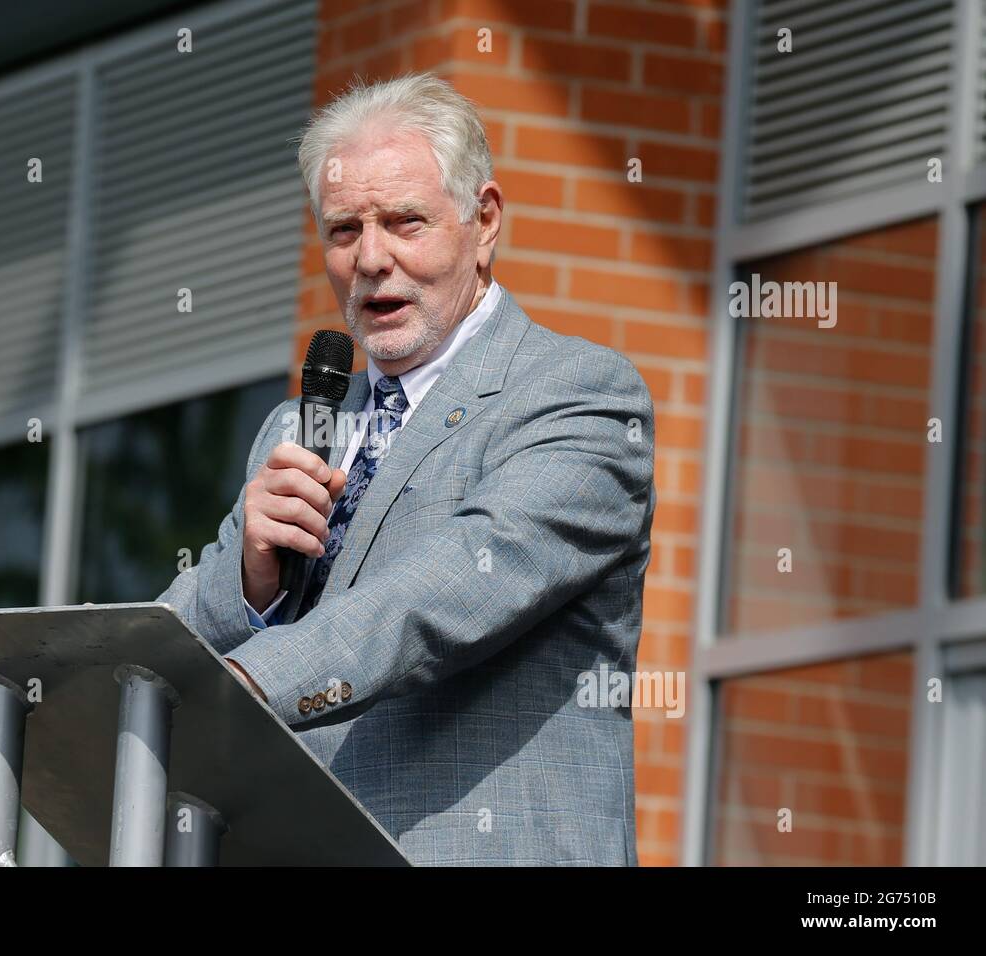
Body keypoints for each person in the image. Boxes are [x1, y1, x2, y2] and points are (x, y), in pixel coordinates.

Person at [156, 72, 655, 865]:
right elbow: (180, 623)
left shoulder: (578, 395)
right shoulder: (301, 424)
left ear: (483, 221)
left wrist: (249, 685)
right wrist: (252, 580)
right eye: (345, 229)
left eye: (404, 222)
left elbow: (448, 590)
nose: (371, 259)